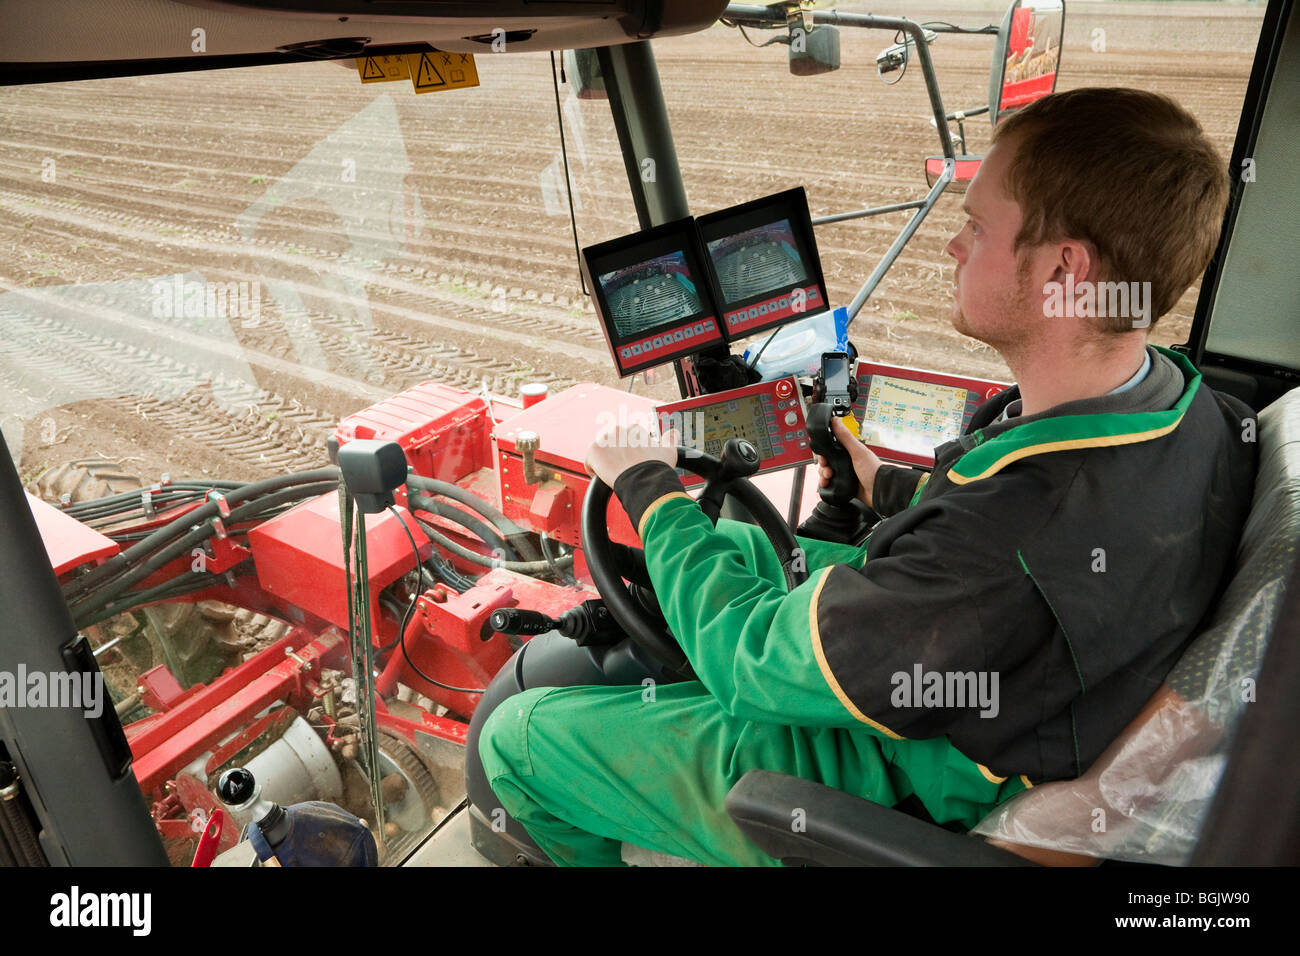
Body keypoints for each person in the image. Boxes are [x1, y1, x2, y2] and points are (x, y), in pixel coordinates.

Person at [474, 87, 1258, 866]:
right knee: (745, 549)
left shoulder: (1011, 540)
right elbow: (1013, 553)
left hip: (900, 772)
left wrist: (646, 485)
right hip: (1007, 679)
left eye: (977, 226)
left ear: (1064, 268)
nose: (953, 247)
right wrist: (891, 491)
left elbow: (754, 658)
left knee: (516, 739)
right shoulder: (1193, 410)